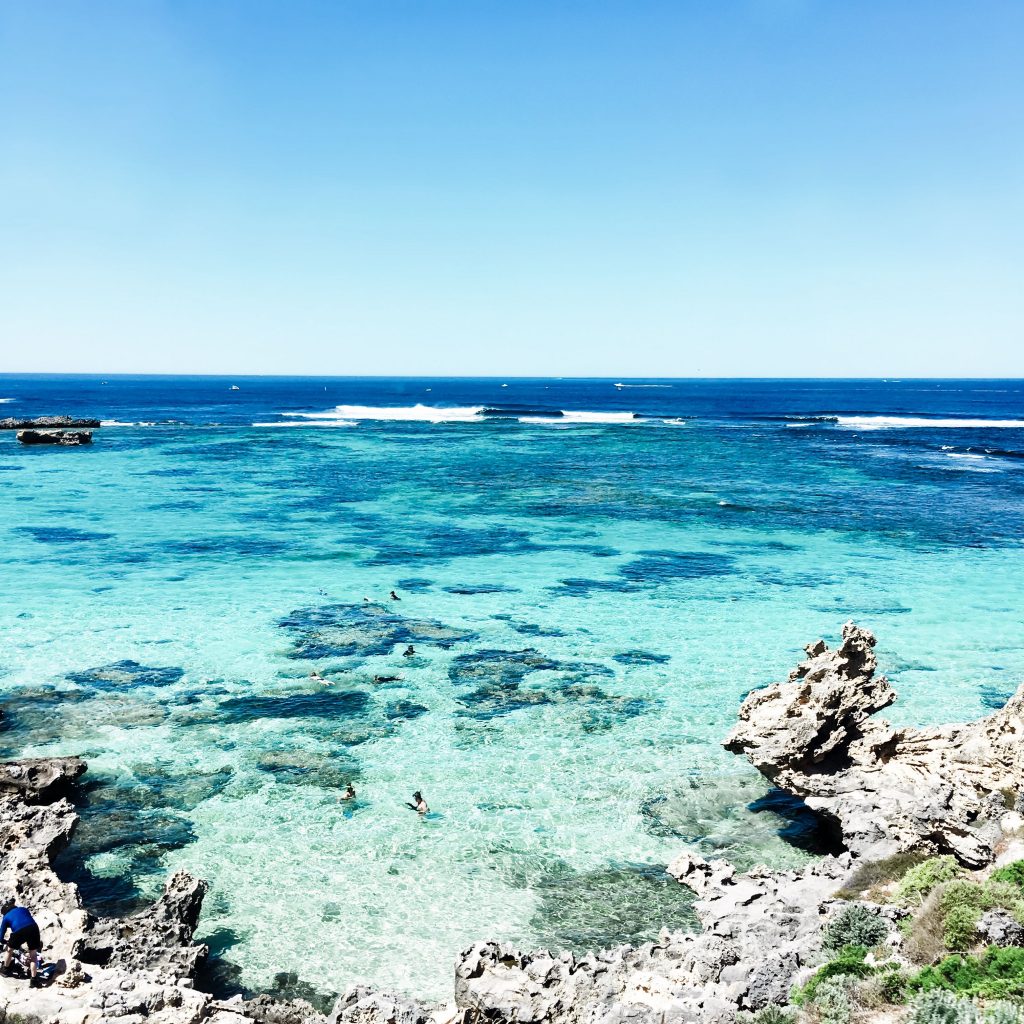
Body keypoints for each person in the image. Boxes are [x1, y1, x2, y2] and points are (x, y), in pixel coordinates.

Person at [1, 899, 42, 987]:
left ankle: (5, 969)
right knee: (33, 954)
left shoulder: (6, 917)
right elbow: (26, 919)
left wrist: (6, 942)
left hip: (19, 931)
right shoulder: (23, 909)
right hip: (34, 928)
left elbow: (0, 937)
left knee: (9, 950)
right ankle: (34, 979)